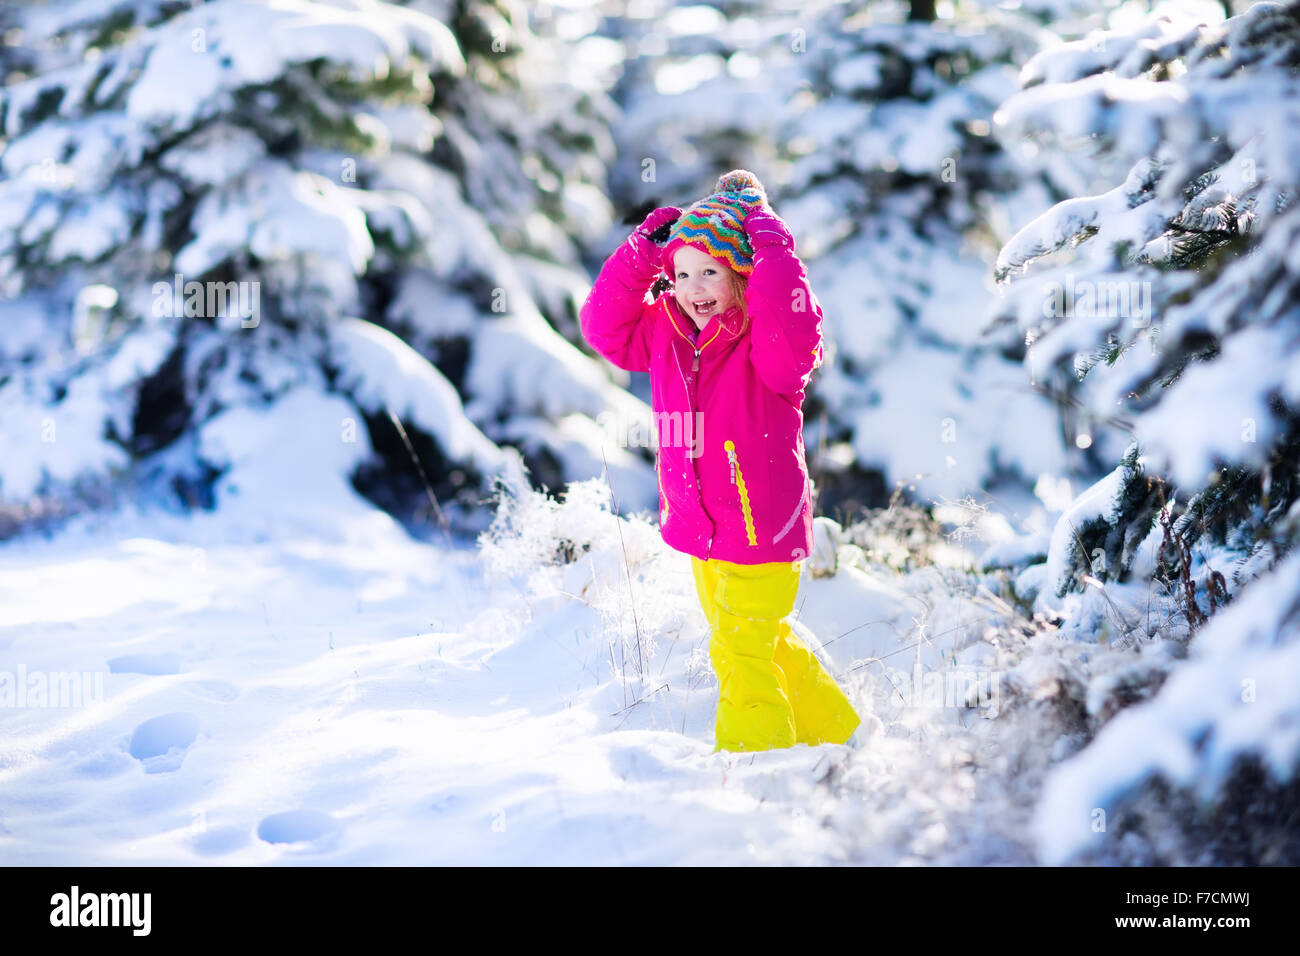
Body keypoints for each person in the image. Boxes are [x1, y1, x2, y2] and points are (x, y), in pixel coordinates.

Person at [580, 169, 861, 753]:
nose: (693, 286)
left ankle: (757, 767)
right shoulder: (665, 330)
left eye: (710, 271)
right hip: (701, 527)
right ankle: (838, 736)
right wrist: (641, 252)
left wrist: (773, 246)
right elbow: (604, 329)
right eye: (681, 272)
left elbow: (792, 327)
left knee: (739, 652)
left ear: (741, 277)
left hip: (761, 524)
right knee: (760, 644)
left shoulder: (765, 339)